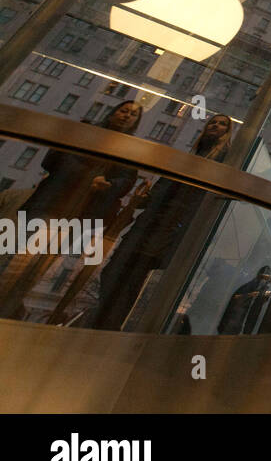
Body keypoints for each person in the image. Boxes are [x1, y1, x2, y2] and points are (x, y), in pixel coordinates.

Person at [86, 113, 232, 330]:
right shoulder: (191, 156)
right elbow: (162, 192)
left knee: (132, 278)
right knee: (114, 271)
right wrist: (147, 198)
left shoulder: (219, 163)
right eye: (213, 122)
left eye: (222, 124)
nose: (216, 125)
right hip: (150, 223)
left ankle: (108, 326)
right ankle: (102, 322)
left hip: (167, 230)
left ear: (227, 134)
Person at [0, 100, 143, 321]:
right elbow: (53, 160)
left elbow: (126, 180)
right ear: (113, 112)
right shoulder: (84, 130)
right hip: (50, 206)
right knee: (14, 259)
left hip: (81, 215)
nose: (127, 116)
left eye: (133, 114)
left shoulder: (131, 149)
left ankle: (7, 311)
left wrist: (109, 186)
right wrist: (90, 179)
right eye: (123, 111)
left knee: (38, 267)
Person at [218, 265, 271, 334]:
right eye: (263, 277)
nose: (263, 280)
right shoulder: (248, 288)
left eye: (267, 278)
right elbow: (238, 305)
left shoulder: (263, 292)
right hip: (232, 329)